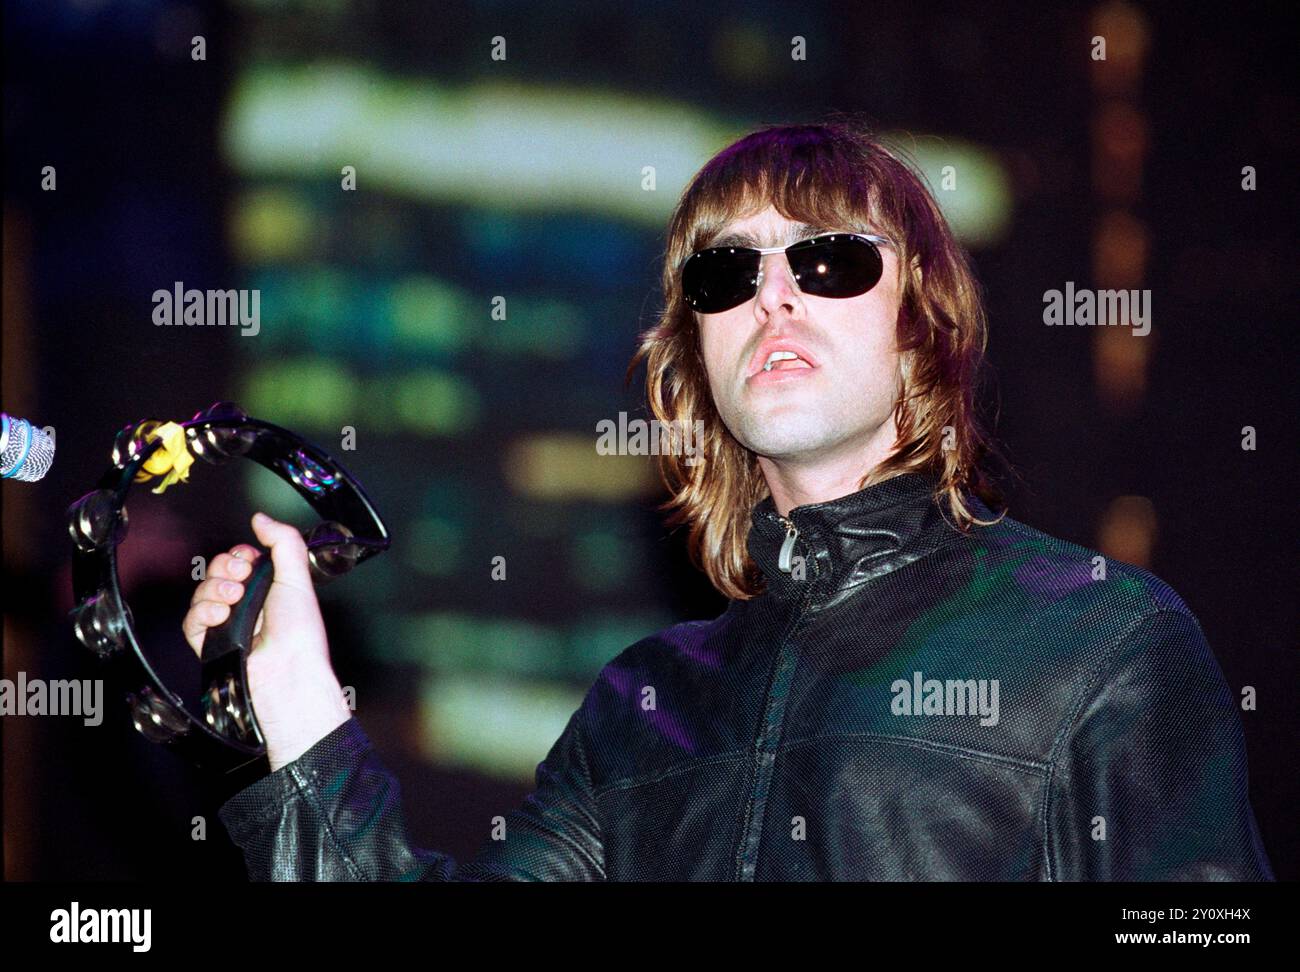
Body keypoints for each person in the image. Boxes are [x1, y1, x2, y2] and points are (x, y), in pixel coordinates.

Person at [190, 122, 1274, 880]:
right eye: (726, 274)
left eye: (831, 258)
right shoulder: (643, 708)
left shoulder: (1097, 639)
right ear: (693, 357)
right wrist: (293, 705)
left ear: (920, 331)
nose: (774, 293)